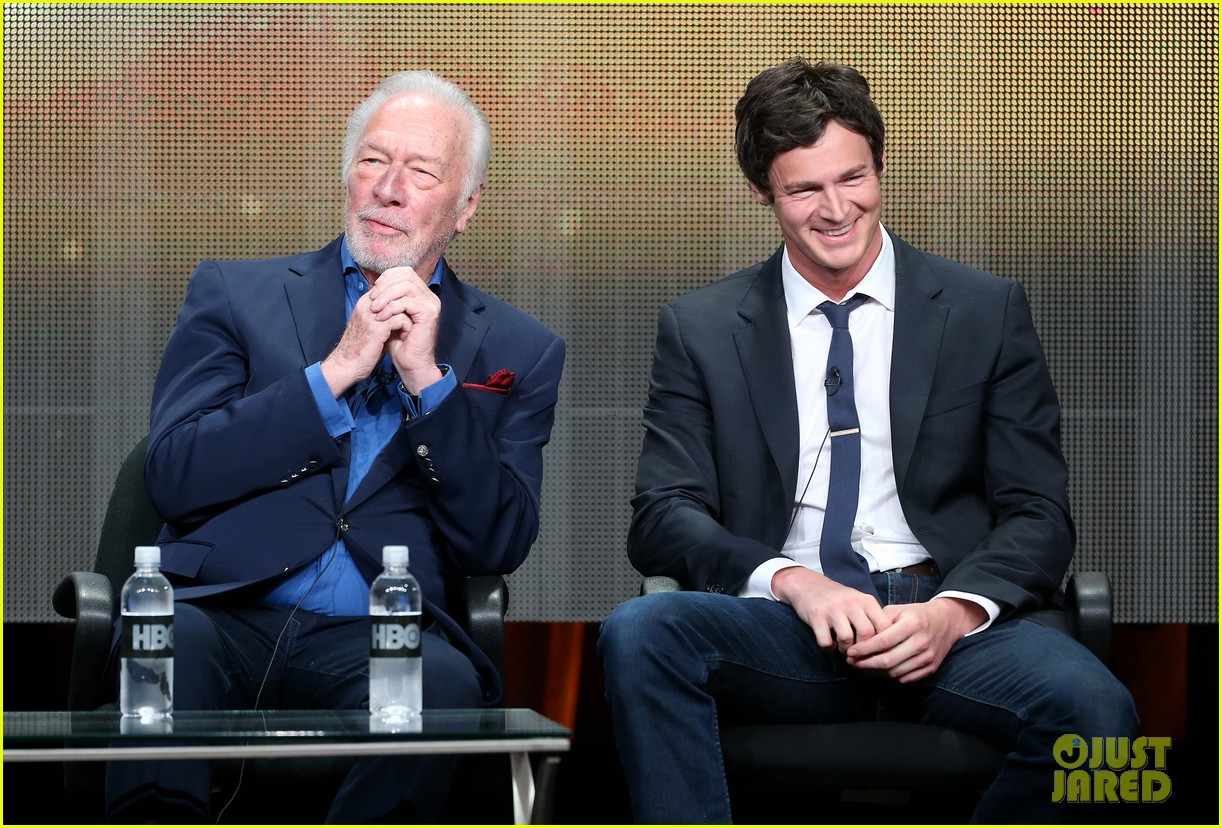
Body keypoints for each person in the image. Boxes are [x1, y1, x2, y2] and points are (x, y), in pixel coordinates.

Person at [598, 58, 1137, 823]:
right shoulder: (703, 328)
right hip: (789, 629)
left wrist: (952, 613)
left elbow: (1038, 514)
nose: (836, 209)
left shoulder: (985, 311)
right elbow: (662, 515)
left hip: (948, 619)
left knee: (1101, 719)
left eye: (852, 178)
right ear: (762, 192)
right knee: (641, 633)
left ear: (881, 164)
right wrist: (792, 581)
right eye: (804, 189)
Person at [106, 70, 565, 823]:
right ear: (347, 178)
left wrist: (430, 383)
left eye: (422, 171)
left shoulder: (520, 348)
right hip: (219, 611)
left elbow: (498, 541)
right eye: (372, 161)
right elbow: (172, 474)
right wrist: (333, 375)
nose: (389, 188)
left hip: (380, 632)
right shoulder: (234, 293)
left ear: (466, 206)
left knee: (441, 684)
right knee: (163, 643)